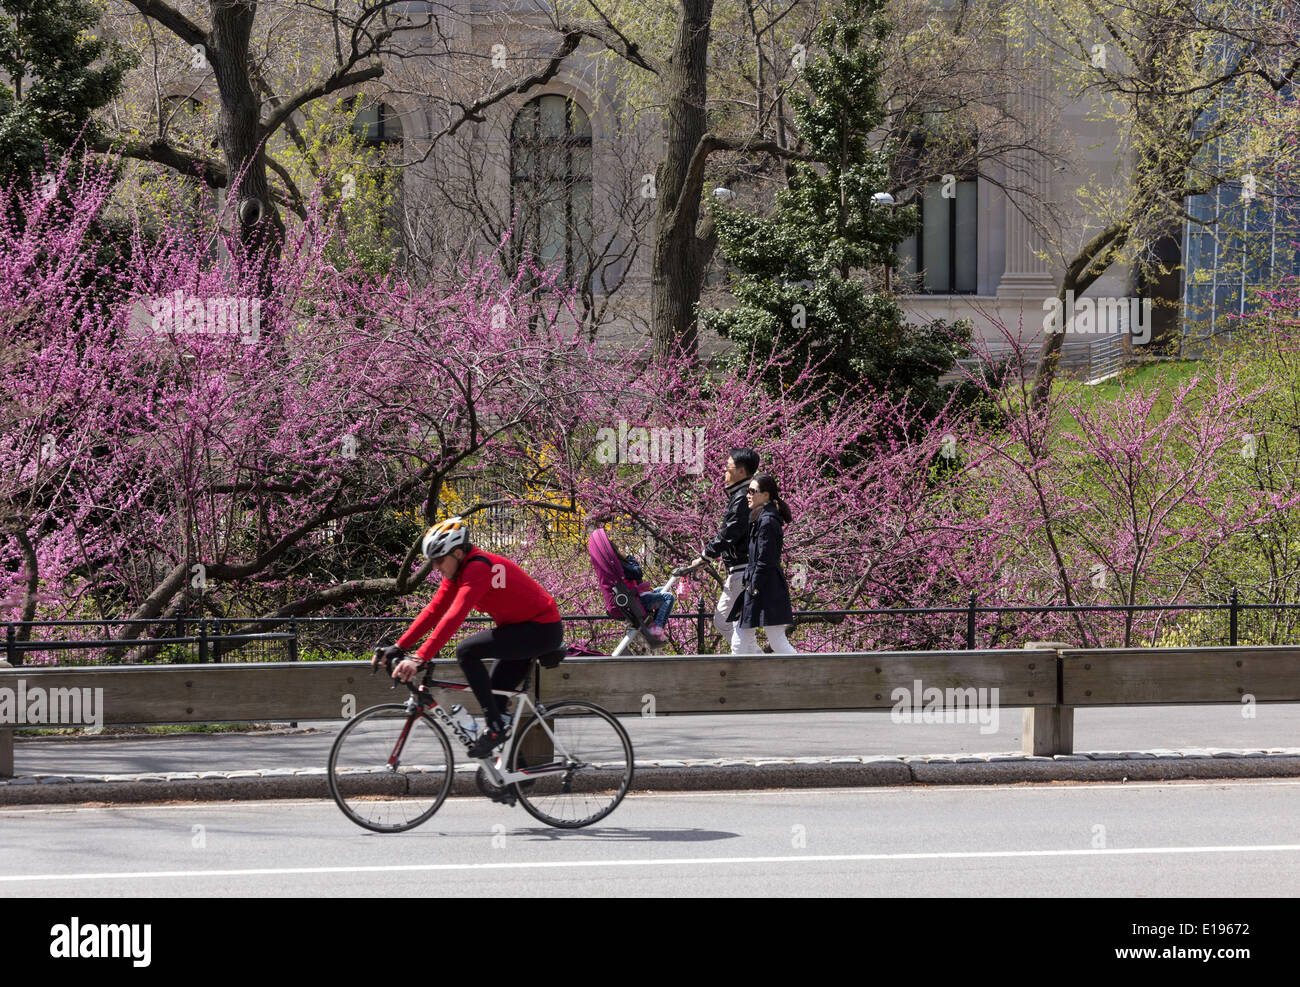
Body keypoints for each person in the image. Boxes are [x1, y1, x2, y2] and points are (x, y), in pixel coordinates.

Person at [374, 517, 563, 758]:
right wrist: (399, 646)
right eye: (432, 561)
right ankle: (516, 777)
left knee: (466, 651)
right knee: (495, 697)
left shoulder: (478, 568)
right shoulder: (458, 572)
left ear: (458, 552)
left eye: (440, 560)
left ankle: (495, 728)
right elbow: (434, 611)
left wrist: (420, 657)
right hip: (520, 630)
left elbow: (454, 616)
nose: (435, 567)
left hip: (540, 629)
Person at [692, 448, 759, 653]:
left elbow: (731, 532)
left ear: (740, 471)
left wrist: (706, 555)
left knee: (725, 621)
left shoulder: (742, 497)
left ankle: (752, 661)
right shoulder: (743, 494)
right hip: (743, 567)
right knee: (740, 626)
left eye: (727, 467)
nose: (724, 471)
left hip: (742, 568)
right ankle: (757, 659)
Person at [727, 473, 797, 654]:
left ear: (766, 495)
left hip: (763, 588)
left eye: (752, 491)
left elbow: (765, 560)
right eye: (747, 490)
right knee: (747, 638)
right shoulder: (762, 519)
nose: (748, 495)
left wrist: (752, 588)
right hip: (762, 586)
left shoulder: (767, 522)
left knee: (775, 641)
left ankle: (805, 674)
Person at [612, 542, 674, 644]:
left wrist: (643, 588)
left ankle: (654, 625)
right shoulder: (621, 565)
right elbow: (638, 573)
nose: (622, 550)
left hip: (635, 595)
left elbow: (630, 583)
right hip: (636, 600)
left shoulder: (616, 565)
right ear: (616, 552)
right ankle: (657, 628)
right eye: (619, 549)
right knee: (668, 597)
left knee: (663, 590)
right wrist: (629, 557)